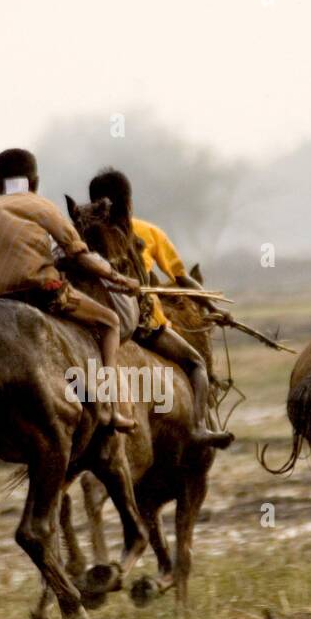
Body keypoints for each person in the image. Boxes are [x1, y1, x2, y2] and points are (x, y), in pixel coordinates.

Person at [0, 148, 142, 430]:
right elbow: (81, 255)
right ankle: (109, 408)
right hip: (35, 289)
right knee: (111, 322)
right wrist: (119, 279)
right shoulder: (43, 207)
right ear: (35, 183)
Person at [88, 167, 232, 448]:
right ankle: (199, 427)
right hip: (144, 326)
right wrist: (212, 306)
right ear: (129, 203)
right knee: (196, 364)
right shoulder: (147, 232)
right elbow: (181, 278)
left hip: (94, 322)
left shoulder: (81, 234)